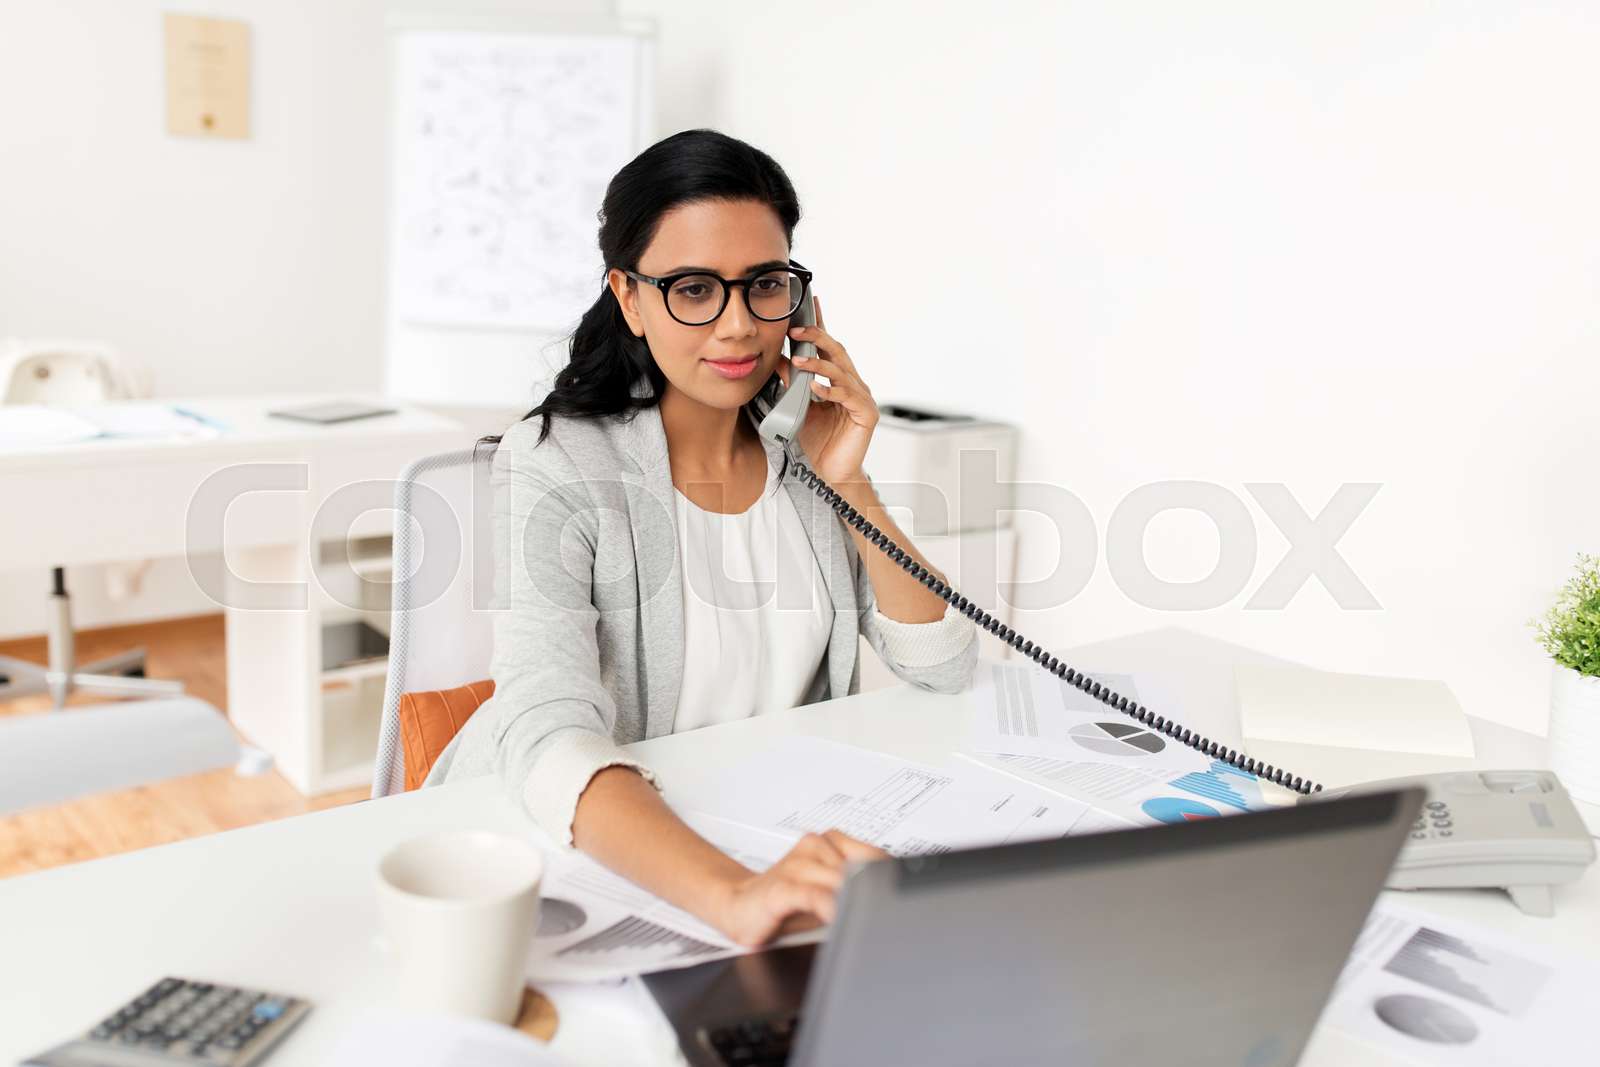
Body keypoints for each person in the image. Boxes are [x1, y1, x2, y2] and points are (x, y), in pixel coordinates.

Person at [428, 129, 978, 946]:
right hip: (596, 853)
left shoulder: (804, 456)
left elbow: (944, 665)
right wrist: (732, 895)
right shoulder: (560, 463)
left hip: (764, 831)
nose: (738, 327)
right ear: (630, 296)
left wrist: (848, 481)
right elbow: (544, 727)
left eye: (765, 285)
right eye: (692, 289)